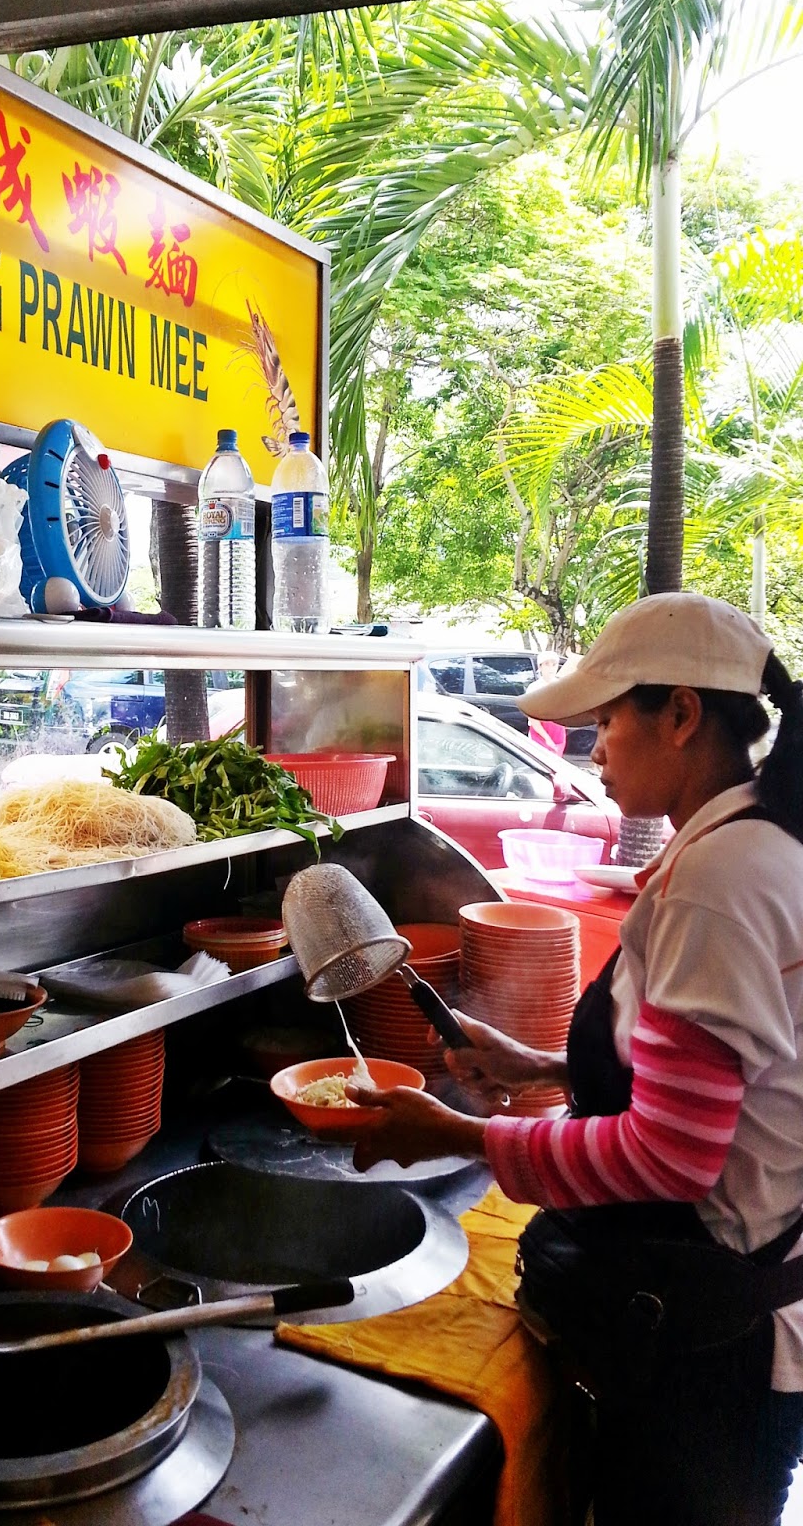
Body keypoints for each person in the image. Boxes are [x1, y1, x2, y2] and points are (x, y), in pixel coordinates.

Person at [349, 593, 803, 1526]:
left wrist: (461, 1133)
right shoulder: (751, 841)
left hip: (717, 1344)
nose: (594, 751)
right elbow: (724, 1078)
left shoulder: (720, 881)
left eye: (606, 722)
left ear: (680, 714)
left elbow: (669, 1156)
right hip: (733, 1314)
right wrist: (542, 1069)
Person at [527, 652, 567, 755]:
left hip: (558, 733)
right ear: (540, 667)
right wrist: (547, 739)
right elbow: (533, 719)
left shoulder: (562, 686)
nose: (551, 668)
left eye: (554, 665)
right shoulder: (534, 688)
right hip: (539, 733)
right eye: (547, 664)